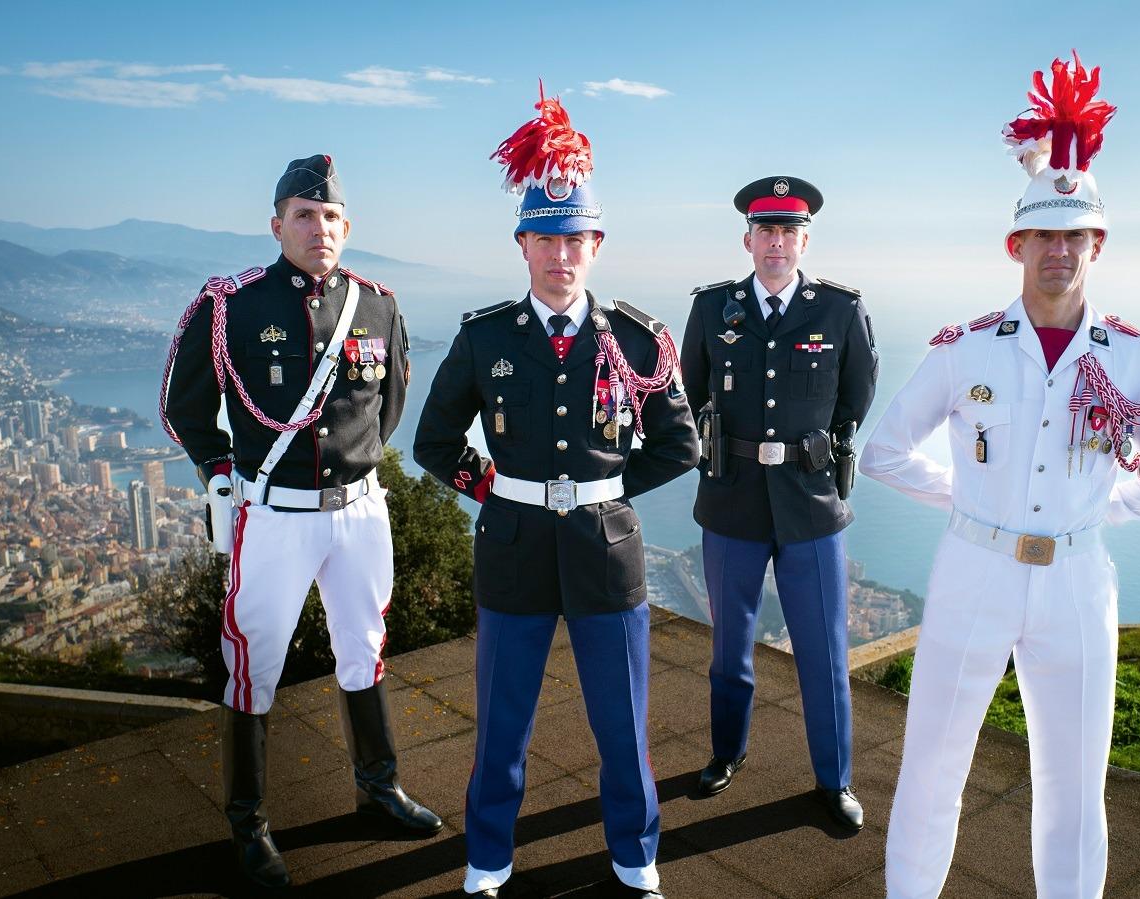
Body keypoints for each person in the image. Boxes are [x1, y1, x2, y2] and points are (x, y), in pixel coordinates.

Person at [858, 53, 1140, 898]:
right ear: (1016, 245)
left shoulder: (1138, 361)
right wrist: (973, 502)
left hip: (1077, 583)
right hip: (972, 570)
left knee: (1075, 787)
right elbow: (883, 450)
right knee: (932, 767)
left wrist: (1096, 510)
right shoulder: (966, 349)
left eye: (1075, 235)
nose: (1059, 250)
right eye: (1044, 235)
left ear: (1097, 245)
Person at [414, 87, 698, 899]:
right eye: (545, 238)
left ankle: (636, 857)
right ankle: (488, 859)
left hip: (606, 550)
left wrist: (607, 488)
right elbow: (434, 442)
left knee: (623, 722)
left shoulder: (637, 339)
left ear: (596, 244)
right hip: (513, 548)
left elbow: (681, 443)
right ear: (523, 245)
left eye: (574, 239)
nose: (560, 255)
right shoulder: (485, 338)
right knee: (502, 723)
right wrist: (494, 487)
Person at [161, 155, 442, 890]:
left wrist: (355, 467)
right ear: (277, 224)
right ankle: (248, 823)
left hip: (360, 512)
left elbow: (387, 408)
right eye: (305, 215)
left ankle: (379, 789)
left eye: (332, 217)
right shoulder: (231, 305)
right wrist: (220, 472)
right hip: (275, 516)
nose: (321, 228)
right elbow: (183, 404)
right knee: (253, 664)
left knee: (365, 647)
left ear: (348, 226)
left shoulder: (377, 305)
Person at [679, 176, 878, 829]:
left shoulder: (840, 310)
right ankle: (726, 752)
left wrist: (814, 449)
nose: (776, 243)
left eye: (788, 231)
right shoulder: (713, 308)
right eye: (765, 230)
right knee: (729, 646)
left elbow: (855, 396)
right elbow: (691, 389)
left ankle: (835, 779)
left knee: (824, 652)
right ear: (748, 239)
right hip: (731, 498)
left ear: (804, 241)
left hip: (811, 504)